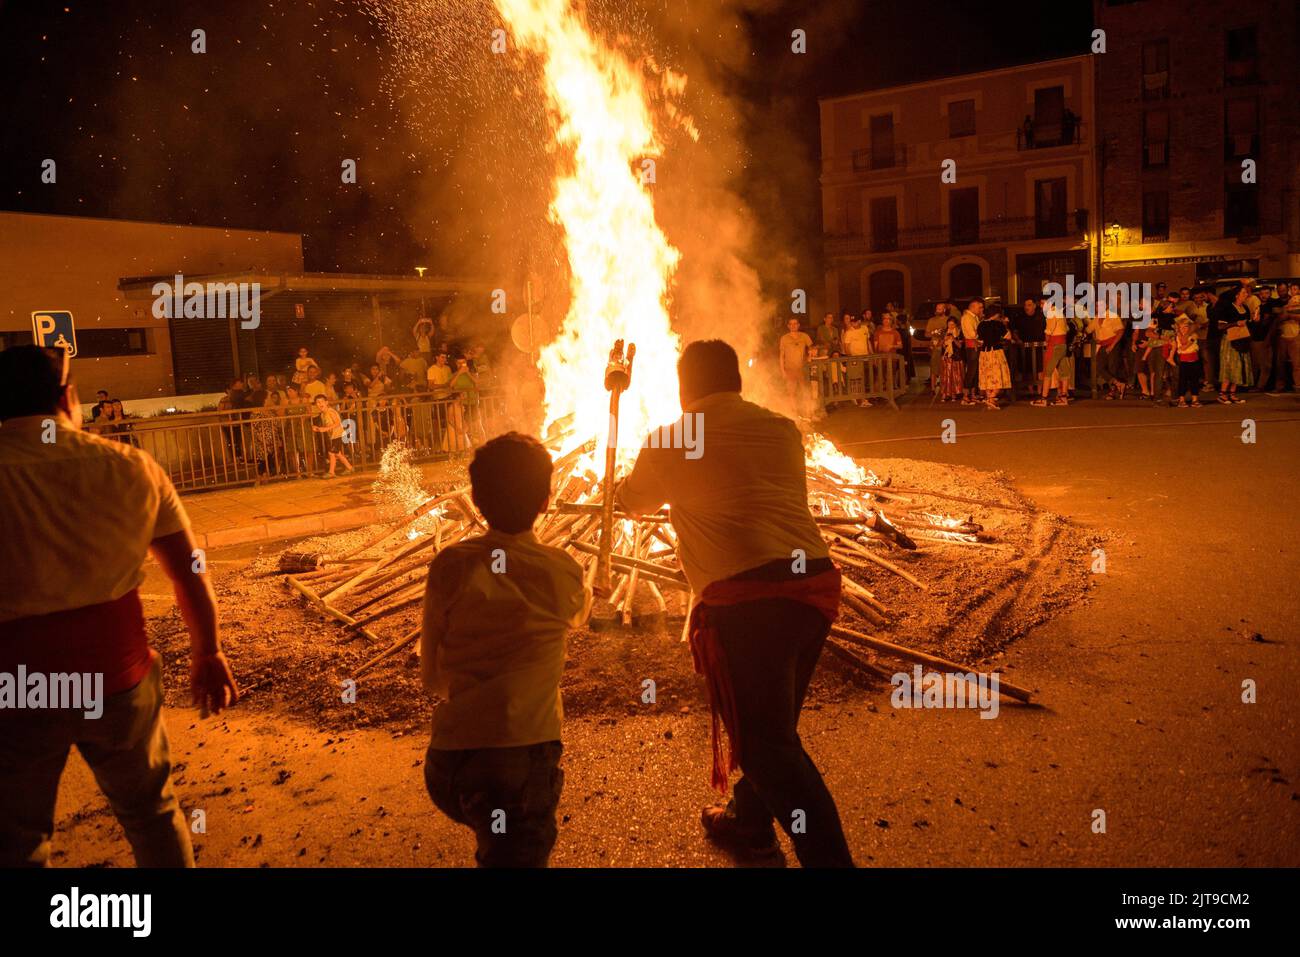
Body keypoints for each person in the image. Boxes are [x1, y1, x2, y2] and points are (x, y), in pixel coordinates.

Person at [618, 340, 855, 868]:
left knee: (768, 750)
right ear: (737, 382)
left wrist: (619, 489)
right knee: (772, 732)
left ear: (683, 388)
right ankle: (750, 823)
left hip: (748, 605)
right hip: (813, 590)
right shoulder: (780, 428)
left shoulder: (670, 438)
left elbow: (634, 501)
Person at [0, 346, 238, 867]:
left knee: (16, 837)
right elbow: (189, 569)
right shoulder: (130, 466)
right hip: (116, 675)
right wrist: (208, 651)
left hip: (15, 687)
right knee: (151, 812)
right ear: (67, 397)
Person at [420, 432, 591, 867]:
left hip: (449, 764)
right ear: (547, 500)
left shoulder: (450, 565)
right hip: (517, 767)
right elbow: (580, 613)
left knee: (494, 841)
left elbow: (432, 678)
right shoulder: (562, 572)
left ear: (476, 499)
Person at [1214, 283, 1253, 404]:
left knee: (1240, 365)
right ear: (1237, 295)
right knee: (1229, 365)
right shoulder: (1228, 308)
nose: (1246, 294)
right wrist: (1235, 323)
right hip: (1230, 339)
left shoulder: (1245, 308)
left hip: (1242, 339)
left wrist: (1254, 320)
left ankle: (1232, 393)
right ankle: (1223, 393)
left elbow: (1247, 324)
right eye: (1243, 292)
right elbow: (1220, 326)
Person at [1031, 299, 1072, 407]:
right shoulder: (1059, 313)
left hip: (1055, 344)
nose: (1041, 306)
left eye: (1043, 303)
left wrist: (1047, 341)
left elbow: (1049, 331)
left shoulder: (1051, 313)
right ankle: (1064, 397)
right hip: (1063, 344)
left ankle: (1044, 398)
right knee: (1064, 371)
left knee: (1047, 371)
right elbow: (1066, 329)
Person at [976, 307, 1012, 410]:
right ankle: (991, 397)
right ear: (995, 314)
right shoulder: (998, 324)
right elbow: (1008, 336)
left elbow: (979, 341)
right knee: (999, 375)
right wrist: (1005, 325)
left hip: (984, 353)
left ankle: (989, 398)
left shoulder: (981, 325)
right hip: (996, 351)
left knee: (987, 375)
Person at [310, 394, 354, 477]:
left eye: (322, 401)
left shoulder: (331, 411)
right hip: (334, 436)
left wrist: (324, 429)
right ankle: (350, 468)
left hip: (338, 435)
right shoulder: (323, 414)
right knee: (337, 453)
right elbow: (327, 426)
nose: (320, 404)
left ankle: (331, 472)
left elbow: (338, 422)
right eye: (318, 402)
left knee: (331, 452)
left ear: (326, 402)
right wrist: (318, 428)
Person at [1169, 318, 1203, 407]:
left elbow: (1188, 344)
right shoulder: (1178, 337)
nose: (1184, 329)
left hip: (1194, 359)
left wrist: (1190, 339)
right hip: (1184, 361)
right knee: (1183, 381)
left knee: (1194, 380)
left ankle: (1195, 400)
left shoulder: (1194, 335)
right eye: (1182, 327)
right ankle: (1181, 400)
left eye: (1186, 326)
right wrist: (1189, 340)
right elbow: (1183, 347)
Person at [840, 316, 872, 407]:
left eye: (854, 322)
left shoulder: (865, 328)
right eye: (852, 322)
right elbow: (846, 347)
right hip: (855, 359)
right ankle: (860, 399)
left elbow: (867, 342)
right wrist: (851, 358)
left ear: (859, 321)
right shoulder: (849, 332)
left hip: (865, 357)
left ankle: (864, 399)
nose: (852, 324)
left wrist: (871, 353)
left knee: (865, 378)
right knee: (857, 379)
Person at [959, 297, 984, 405]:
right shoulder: (967, 318)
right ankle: (965, 395)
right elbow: (972, 334)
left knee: (975, 370)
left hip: (976, 346)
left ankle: (973, 394)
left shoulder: (974, 317)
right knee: (971, 370)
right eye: (980, 307)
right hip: (972, 346)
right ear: (973, 307)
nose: (981, 309)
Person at [939, 317, 965, 402]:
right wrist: (944, 340)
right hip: (946, 357)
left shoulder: (959, 333)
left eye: (952, 324)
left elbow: (960, 346)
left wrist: (953, 339)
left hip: (956, 357)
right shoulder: (944, 332)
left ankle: (955, 394)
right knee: (946, 376)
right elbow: (940, 345)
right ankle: (946, 394)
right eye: (949, 324)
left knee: (955, 376)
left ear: (956, 325)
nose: (950, 326)